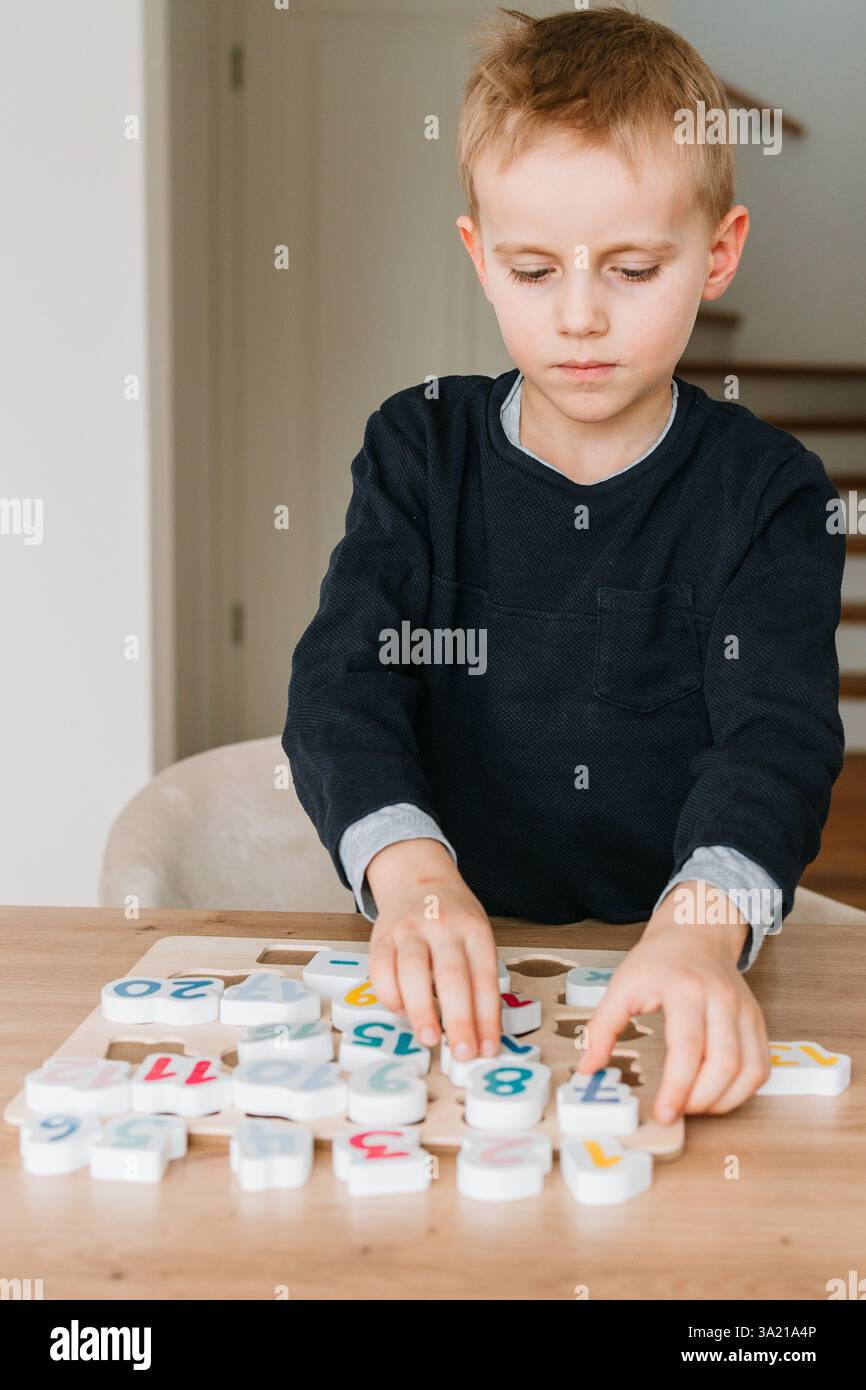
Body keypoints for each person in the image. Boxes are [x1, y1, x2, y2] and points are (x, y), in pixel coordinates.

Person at [282, 6, 844, 1123]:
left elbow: (774, 738)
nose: (580, 315)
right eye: (533, 270)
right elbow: (342, 685)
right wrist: (414, 879)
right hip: (452, 976)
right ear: (477, 255)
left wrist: (694, 933)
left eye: (632, 267)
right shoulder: (417, 447)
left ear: (716, 253)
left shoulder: (769, 491)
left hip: (676, 961)